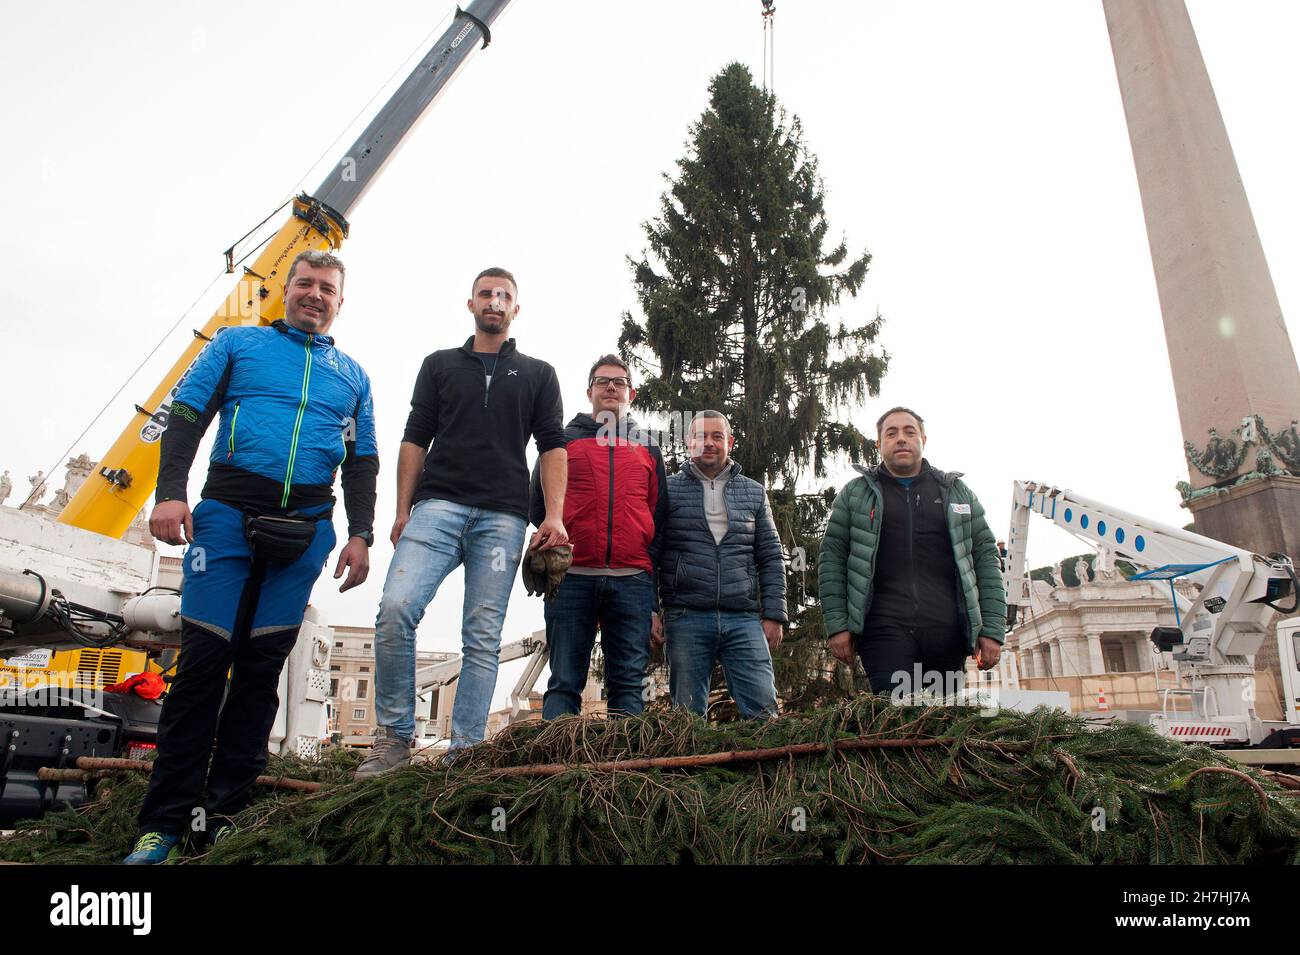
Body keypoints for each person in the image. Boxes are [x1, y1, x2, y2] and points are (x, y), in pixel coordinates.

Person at [126, 250, 377, 863]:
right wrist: (170, 495)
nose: (315, 295)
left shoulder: (352, 376)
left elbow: (362, 459)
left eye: (328, 288)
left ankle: (222, 818)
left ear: (341, 302)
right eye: (305, 284)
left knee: (261, 673)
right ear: (285, 290)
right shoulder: (236, 344)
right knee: (204, 666)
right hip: (226, 522)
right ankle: (161, 824)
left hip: (306, 533)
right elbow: (184, 415)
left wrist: (361, 534)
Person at [355, 267, 566, 777]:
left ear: (516, 310)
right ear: (470, 304)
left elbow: (552, 446)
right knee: (395, 608)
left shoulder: (538, 373)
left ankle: (466, 753)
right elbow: (414, 437)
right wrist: (402, 510)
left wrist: (554, 515)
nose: (494, 301)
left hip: (503, 515)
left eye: (505, 296)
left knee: (482, 633)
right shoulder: (439, 365)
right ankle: (394, 740)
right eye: (486, 294)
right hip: (437, 506)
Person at [818, 406, 1005, 698]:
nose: (901, 439)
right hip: (883, 631)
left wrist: (991, 630)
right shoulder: (855, 495)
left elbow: (986, 560)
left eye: (909, 432)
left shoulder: (956, 492)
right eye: (891, 433)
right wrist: (838, 626)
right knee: (898, 718)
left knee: (941, 727)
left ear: (923, 440)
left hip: (947, 633)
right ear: (879, 444)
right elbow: (831, 559)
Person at [529, 354, 668, 718]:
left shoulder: (649, 445)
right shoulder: (560, 440)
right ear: (589, 390)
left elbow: (658, 516)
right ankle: (556, 769)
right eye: (603, 381)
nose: (610, 387)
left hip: (632, 583)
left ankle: (626, 770)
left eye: (619, 382)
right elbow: (536, 505)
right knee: (564, 682)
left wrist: (652, 595)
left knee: (627, 683)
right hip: (571, 578)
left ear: (631, 393)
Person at [653, 411, 786, 718]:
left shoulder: (754, 492)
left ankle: (765, 767)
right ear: (689, 443)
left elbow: (770, 555)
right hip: (685, 617)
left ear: (730, 442)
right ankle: (689, 767)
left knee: (764, 714)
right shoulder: (667, 490)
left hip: (744, 619)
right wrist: (650, 610)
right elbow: (651, 553)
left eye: (717, 437)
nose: (709, 443)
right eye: (701, 436)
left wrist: (775, 615)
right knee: (687, 717)